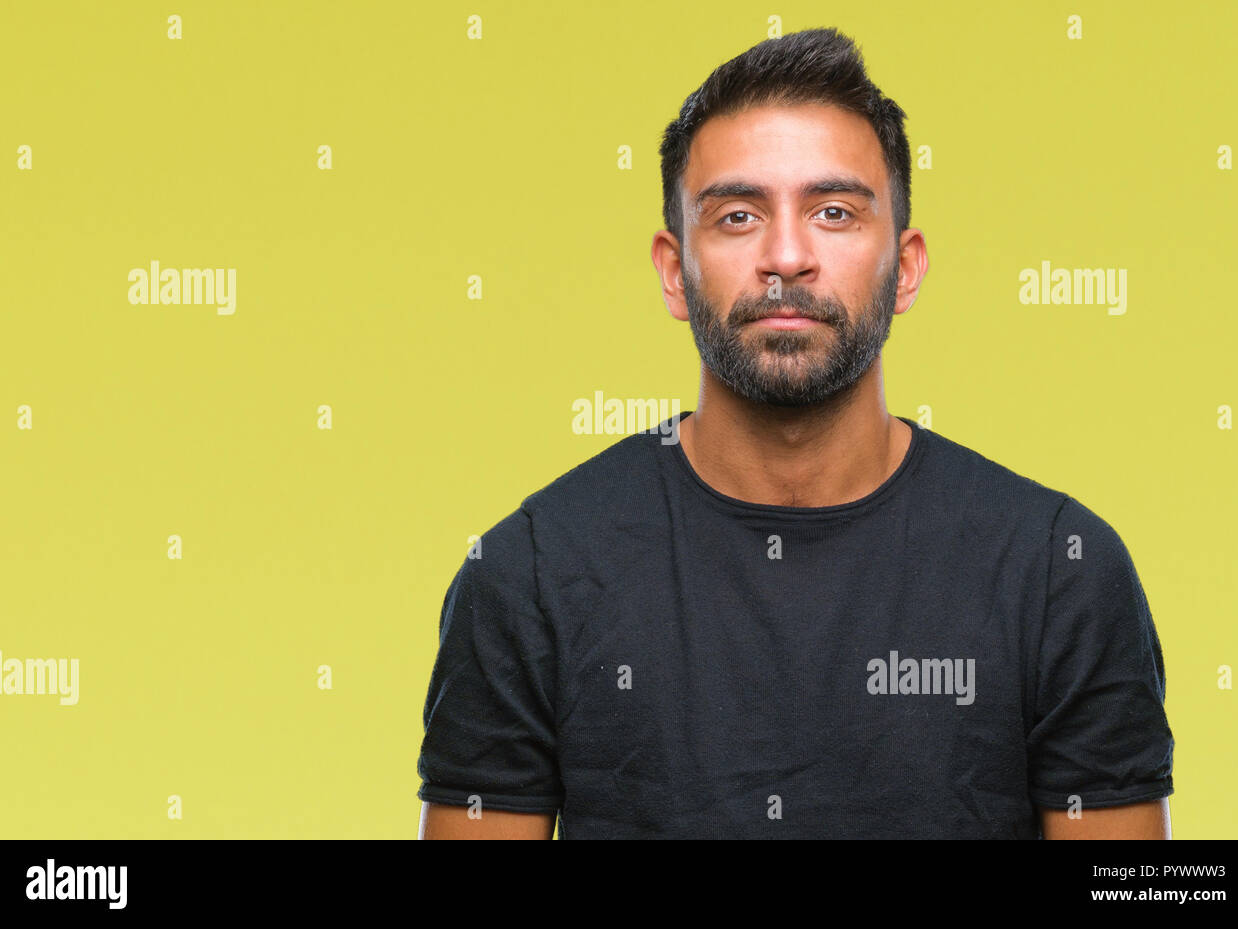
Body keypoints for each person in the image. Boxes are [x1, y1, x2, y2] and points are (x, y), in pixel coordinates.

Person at [417, 27, 1173, 839]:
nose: (786, 256)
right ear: (674, 271)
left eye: (835, 212)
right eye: (738, 216)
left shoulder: (1062, 574)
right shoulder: (528, 577)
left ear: (906, 268)